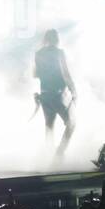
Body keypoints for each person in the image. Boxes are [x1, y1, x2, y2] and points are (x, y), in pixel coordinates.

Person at [33, 29, 76, 159]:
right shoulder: (59, 53)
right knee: (71, 123)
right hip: (57, 94)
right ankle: (59, 154)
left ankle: (48, 159)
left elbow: (35, 74)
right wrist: (73, 89)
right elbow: (66, 73)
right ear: (56, 39)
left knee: (49, 126)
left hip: (44, 94)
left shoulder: (38, 54)